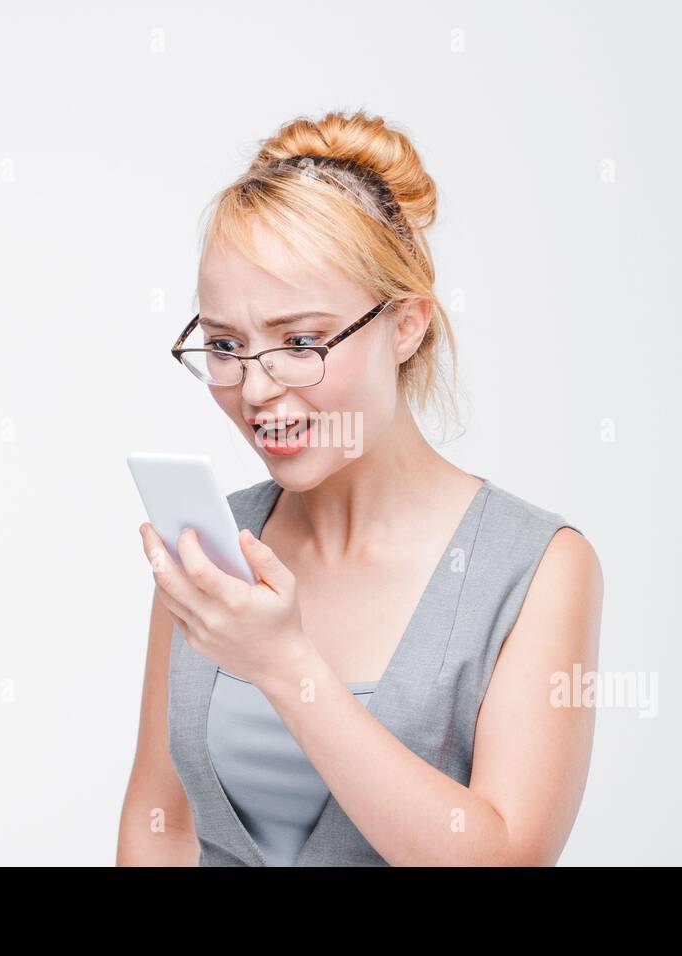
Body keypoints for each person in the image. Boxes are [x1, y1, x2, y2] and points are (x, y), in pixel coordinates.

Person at [117, 109, 603, 866]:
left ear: (405, 325)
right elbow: (162, 823)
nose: (255, 389)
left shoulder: (536, 565)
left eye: (301, 342)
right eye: (224, 346)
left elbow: (506, 856)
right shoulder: (214, 545)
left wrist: (285, 666)